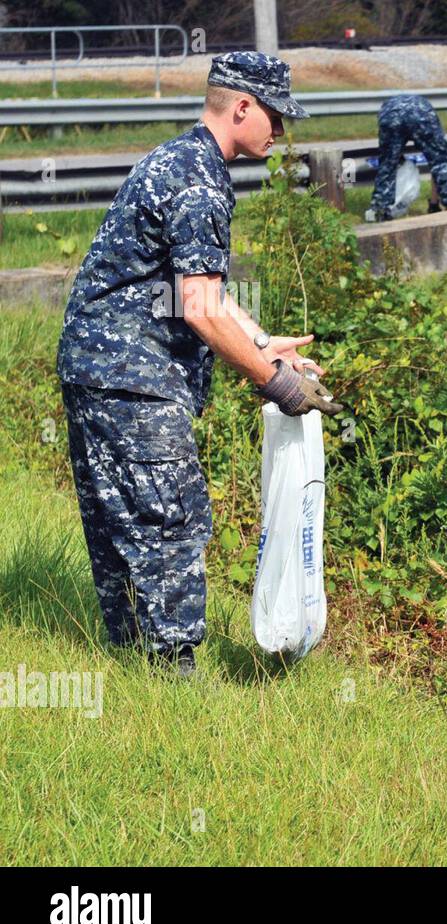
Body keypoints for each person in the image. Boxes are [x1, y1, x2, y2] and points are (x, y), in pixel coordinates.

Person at [56, 52, 343, 677]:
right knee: (171, 519)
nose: (281, 133)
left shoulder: (178, 159)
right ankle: (176, 673)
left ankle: (136, 662)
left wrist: (263, 341)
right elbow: (200, 309)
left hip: (96, 365)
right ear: (242, 107)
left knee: (118, 521)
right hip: (135, 374)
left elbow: (198, 289)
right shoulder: (200, 183)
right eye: (275, 117)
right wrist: (277, 384)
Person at [365, 94, 447, 221]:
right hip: (421, 113)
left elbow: (390, 158)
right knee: (441, 161)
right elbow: (439, 162)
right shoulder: (424, 105)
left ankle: (380, 210)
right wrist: (434, 204)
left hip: (391, 115)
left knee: (387, 164)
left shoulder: (388, 106)